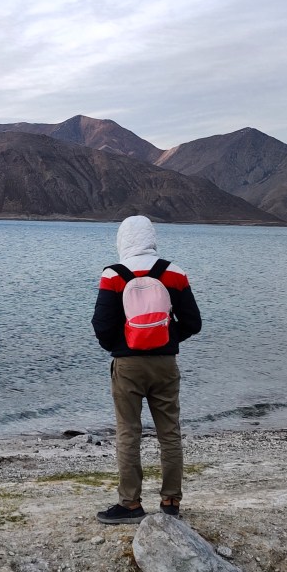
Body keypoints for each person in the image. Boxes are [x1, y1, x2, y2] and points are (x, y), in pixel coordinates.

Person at [91, 215, 202, 524]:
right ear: (152, 237)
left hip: (127, 366)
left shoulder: (113, 274)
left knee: (129, 432)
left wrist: (123, 345)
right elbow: (194, 322)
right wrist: (167, 337)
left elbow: (101, 325)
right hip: (166, 364)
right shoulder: (174, 272)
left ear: (122, 239)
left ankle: (130, 504)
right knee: (170, 433)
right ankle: (170, 502)